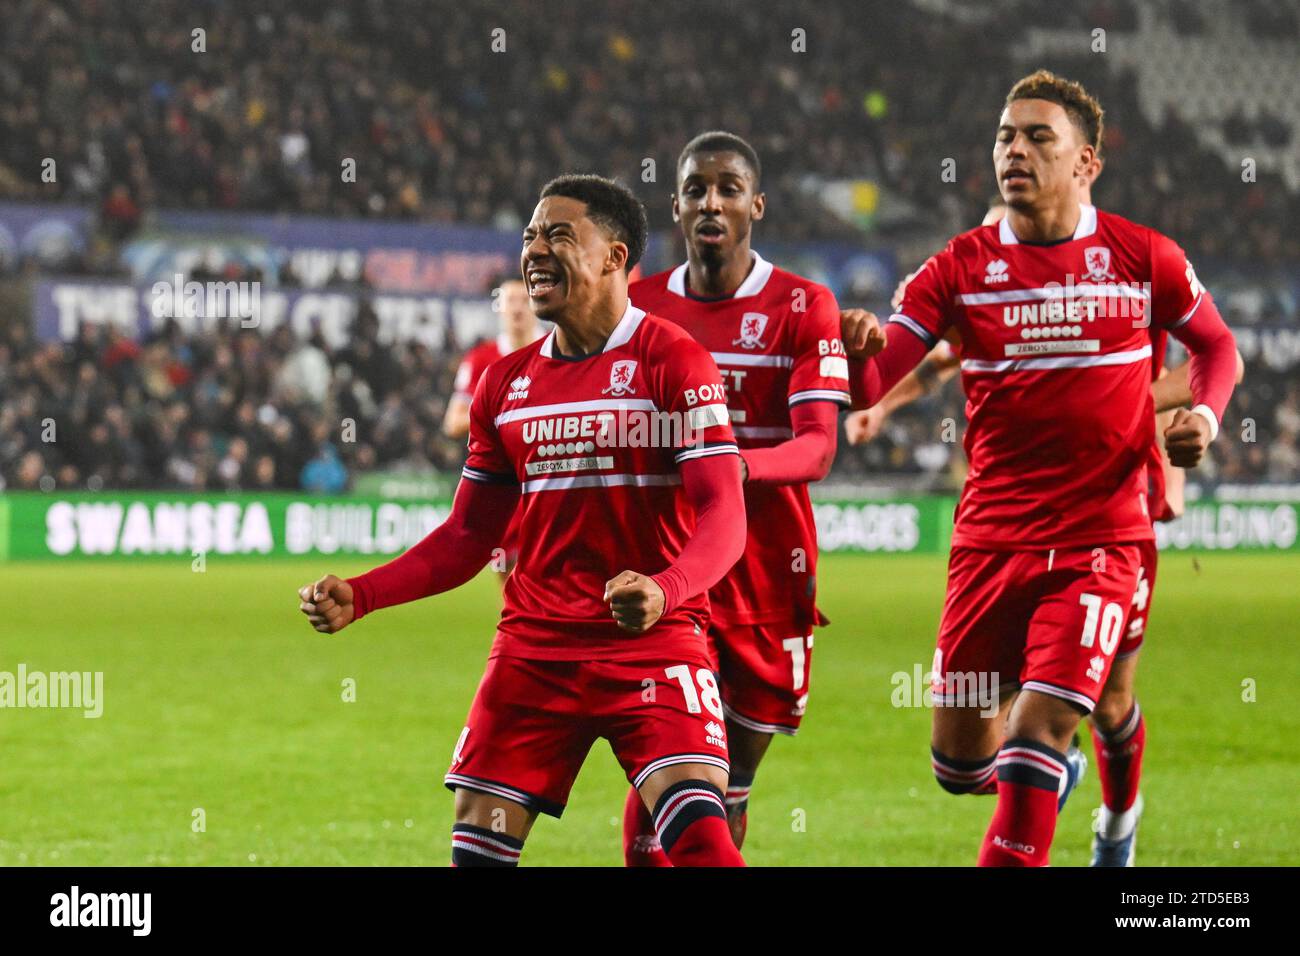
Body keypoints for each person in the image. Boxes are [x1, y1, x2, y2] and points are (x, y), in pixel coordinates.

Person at [841, 70, 1238, 866]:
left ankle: (1106, 815)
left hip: (1104, 539)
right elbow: (880, 377)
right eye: (1003, 137)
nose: (1013, 151)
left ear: (1087, 162)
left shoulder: (1142, 256)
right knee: (960, 765)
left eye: (1036, 137)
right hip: (990, 542)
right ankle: (1056, 770)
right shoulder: (956, 267)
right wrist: (853, 363)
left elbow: (1217, 347)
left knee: (1041, 729)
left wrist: (1202, 415)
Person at [298, 174, 748, 866]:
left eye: (559, 234)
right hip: (533, 651)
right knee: (477, 853)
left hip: (654, 642)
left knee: (701, 842)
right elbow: (469, 535)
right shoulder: (503, 386)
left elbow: (724, 509)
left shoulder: (674, 362)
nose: (535, 250)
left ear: (614, 257)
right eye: (530, 236)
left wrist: (667, 586)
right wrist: (363, 594)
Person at [623, 131, 850, 863]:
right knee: (664, 779)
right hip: (671, 570)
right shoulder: (639, 306)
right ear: (677, 207)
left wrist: (731, 468)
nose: (710, 202)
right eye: (695, 189)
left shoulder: (804, 306)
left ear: (756, 203)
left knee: (732, 784)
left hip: (768, 573)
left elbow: (817, 447)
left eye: (727, 188)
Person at [443, 276, 543, 580]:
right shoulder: (481, 359)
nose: (517, 309)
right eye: (510, 301)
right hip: (502, 486)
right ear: (498, 308)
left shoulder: (559, 349)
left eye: (524, 300)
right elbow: (453, 423)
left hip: (552, 478)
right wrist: (506, 417)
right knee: (510, 576)